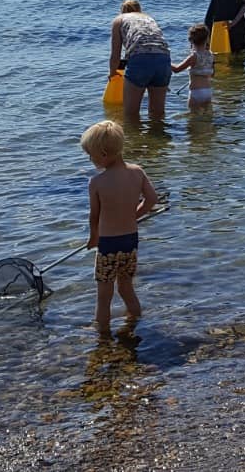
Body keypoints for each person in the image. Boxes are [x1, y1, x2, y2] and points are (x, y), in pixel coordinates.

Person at [81, 120, 159, 335]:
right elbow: (152, 200)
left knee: (104, 294)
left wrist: (93, 238)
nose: (91, 159)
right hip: (130, 241)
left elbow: (94, 216)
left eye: (92, 155)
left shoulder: (97, 182)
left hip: (108, 245)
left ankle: (102, 335)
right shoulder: (137, 172)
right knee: (126, 287)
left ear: (104, 153)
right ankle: (136, 322)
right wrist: (134, 215)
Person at [109, 0, 173, 119]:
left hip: (140, 60)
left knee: (131, 114)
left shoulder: (119, 20)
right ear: (139, 10)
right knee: (157, 113)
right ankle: (159, 135)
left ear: (122, 11)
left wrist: (113, 72)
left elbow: (115, 55)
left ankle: (134, 137)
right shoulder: (148, 18)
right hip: (163, 59)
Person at [171, 24, 214, 108]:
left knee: (193, 119)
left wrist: (166, 61)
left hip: (196, 92)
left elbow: (176, 69)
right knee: (207, 118)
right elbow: (212, 74)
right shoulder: (211, 55)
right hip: (208, 91)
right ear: (207, 39)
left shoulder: (194, 56)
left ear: (191, 40)